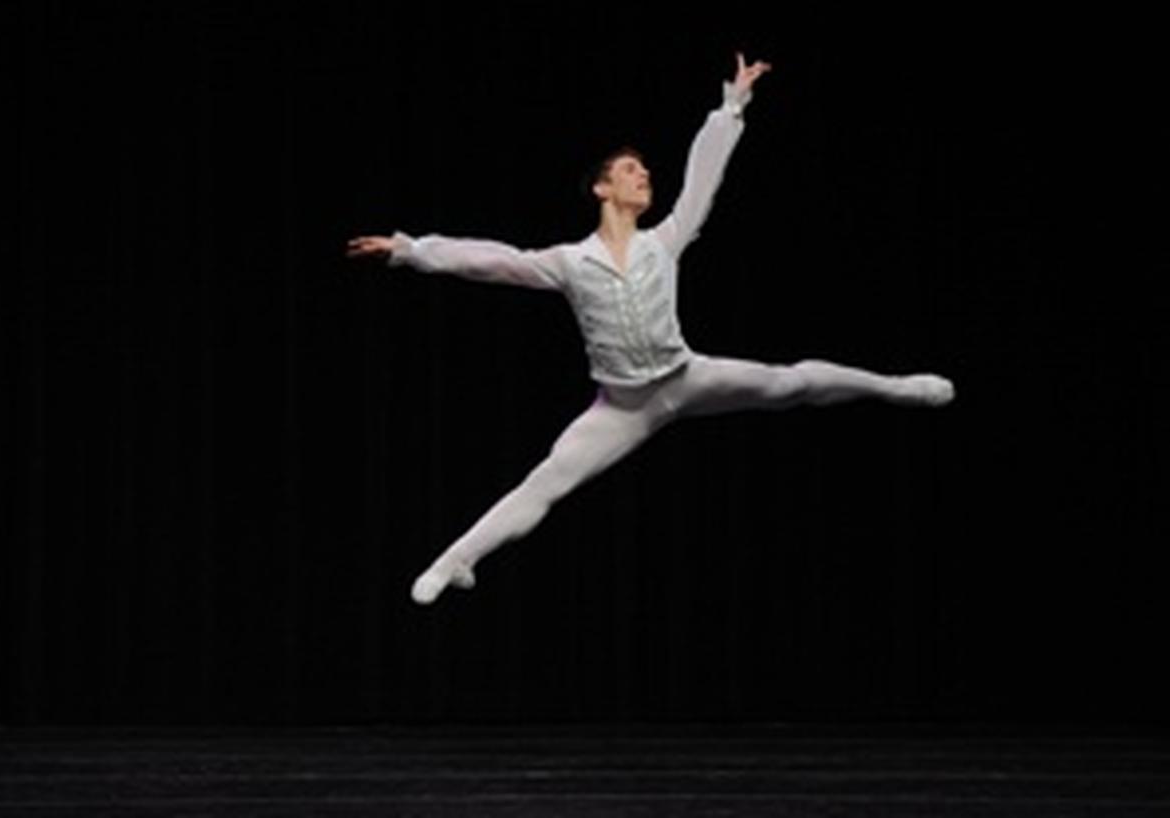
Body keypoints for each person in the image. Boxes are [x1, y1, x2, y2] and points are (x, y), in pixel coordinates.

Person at [346, 52, 955, 605]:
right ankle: (456, 560)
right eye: (632, 170)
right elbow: (489, 258)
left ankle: (896, 386)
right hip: (623, 405)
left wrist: (731, 106)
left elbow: (703, 178)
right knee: (547, 480)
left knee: (789, 383)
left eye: (645, 172)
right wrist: (409, 249)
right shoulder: (567, 261)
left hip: (687, 378)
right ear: (602, 187)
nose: (645, 177)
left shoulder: (665, 240)